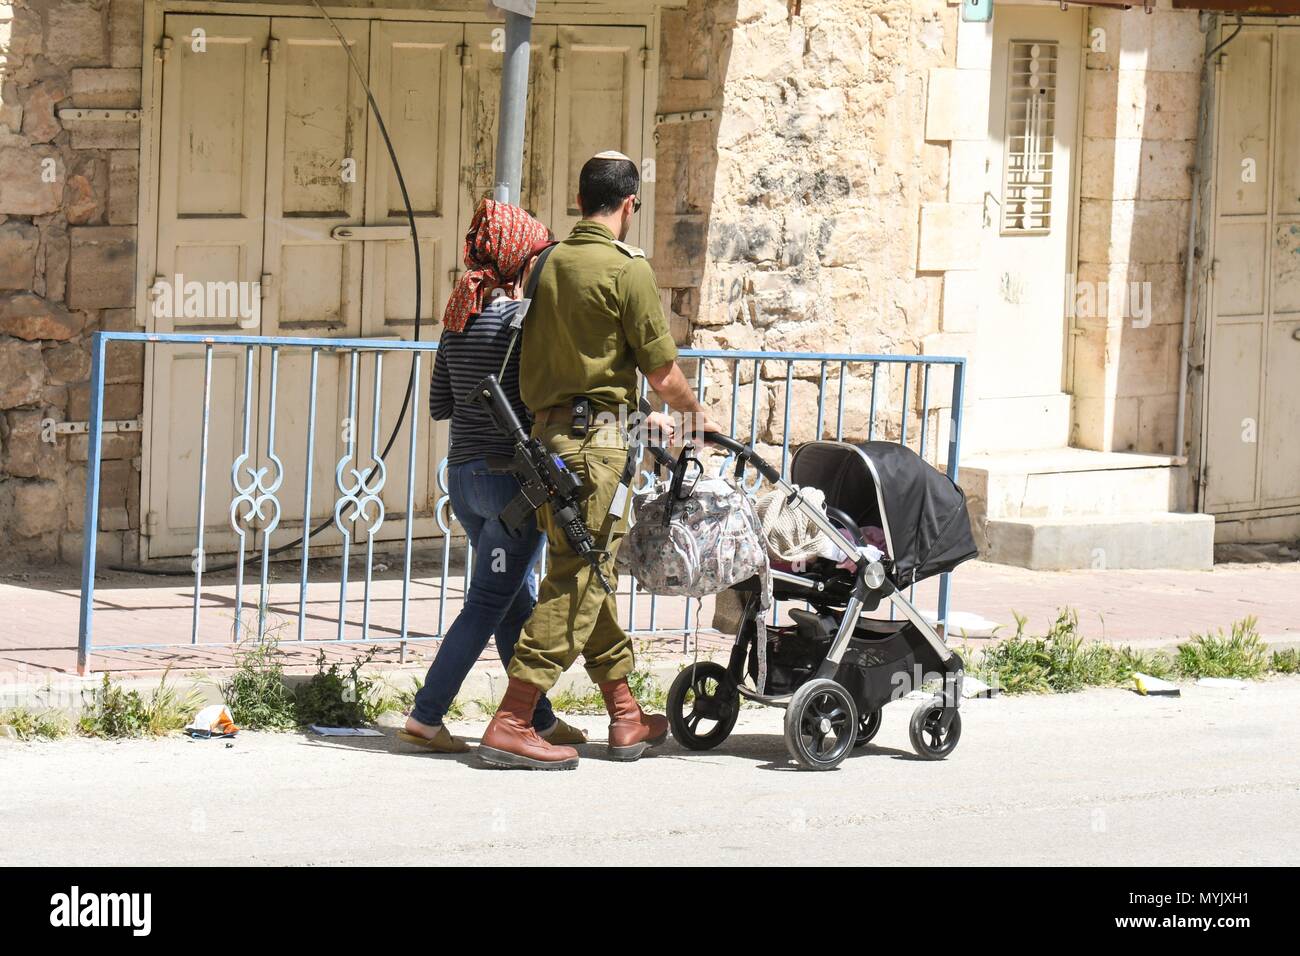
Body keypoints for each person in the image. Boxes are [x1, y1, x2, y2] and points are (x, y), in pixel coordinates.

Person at [478, 151, 720, 770]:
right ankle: (512, 719)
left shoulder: (548, 263)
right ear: (629, 203)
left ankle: (625, 714)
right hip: (598, 453)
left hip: (547, 446)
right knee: (577, 578)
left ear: (582, 198)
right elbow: (663, 373)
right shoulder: (626, 270)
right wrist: (697, 421)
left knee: (585, 569)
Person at [399, 199, 586, 754]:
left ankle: (540, 719)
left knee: (511, 599)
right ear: (515, 259)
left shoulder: (456, 320)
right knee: (488, 600)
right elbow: (539, 399)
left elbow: (439, 405)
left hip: (464, 479)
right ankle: (426, 718)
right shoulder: (521, 321)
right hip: (511, 483)